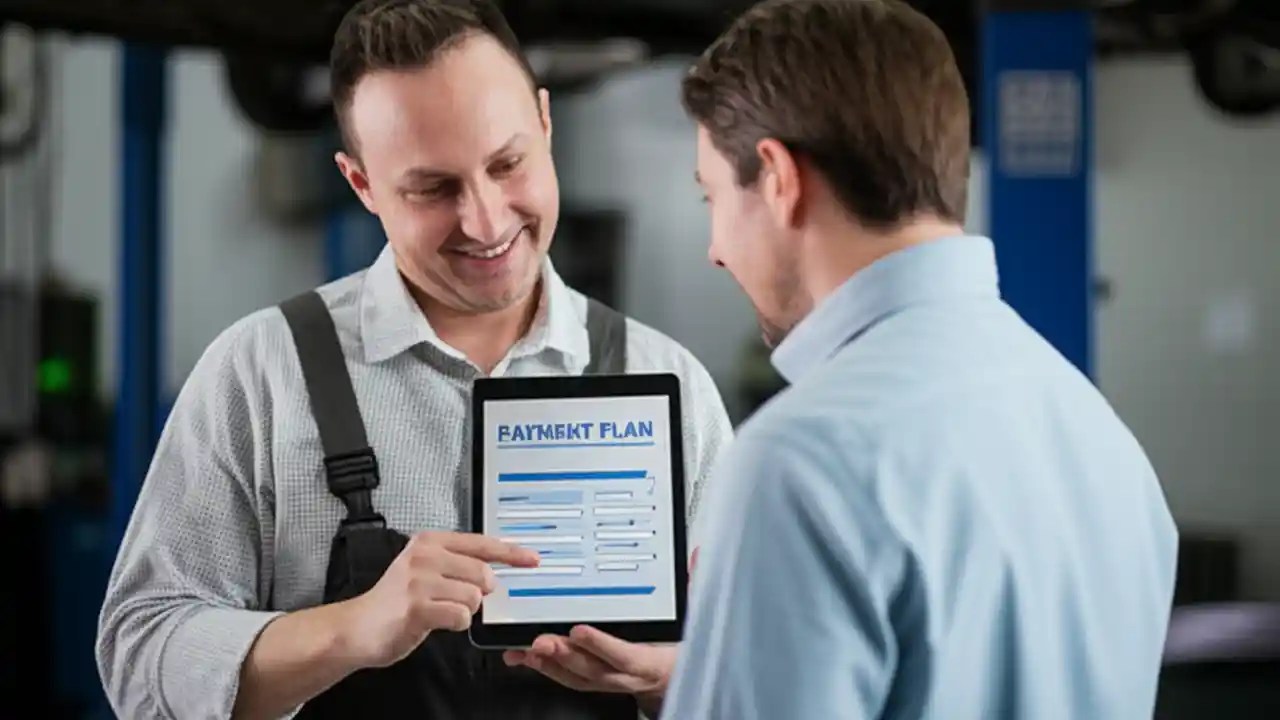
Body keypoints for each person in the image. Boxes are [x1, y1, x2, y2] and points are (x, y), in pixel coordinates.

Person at [94, 1, 732, 718]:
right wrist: (349, 629)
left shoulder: (672, 387)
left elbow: (762, 680)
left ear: (546, 124)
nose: (487, 221)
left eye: (508, 163)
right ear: (361, 183)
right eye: (434, 188)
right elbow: (140, 656)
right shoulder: (262, 374)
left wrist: (667, 677)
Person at [654, 0, 1181, 718]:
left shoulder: (800, 461)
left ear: (778, 178)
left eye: (711, 196)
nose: (715, 248)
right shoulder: (1102, 437)